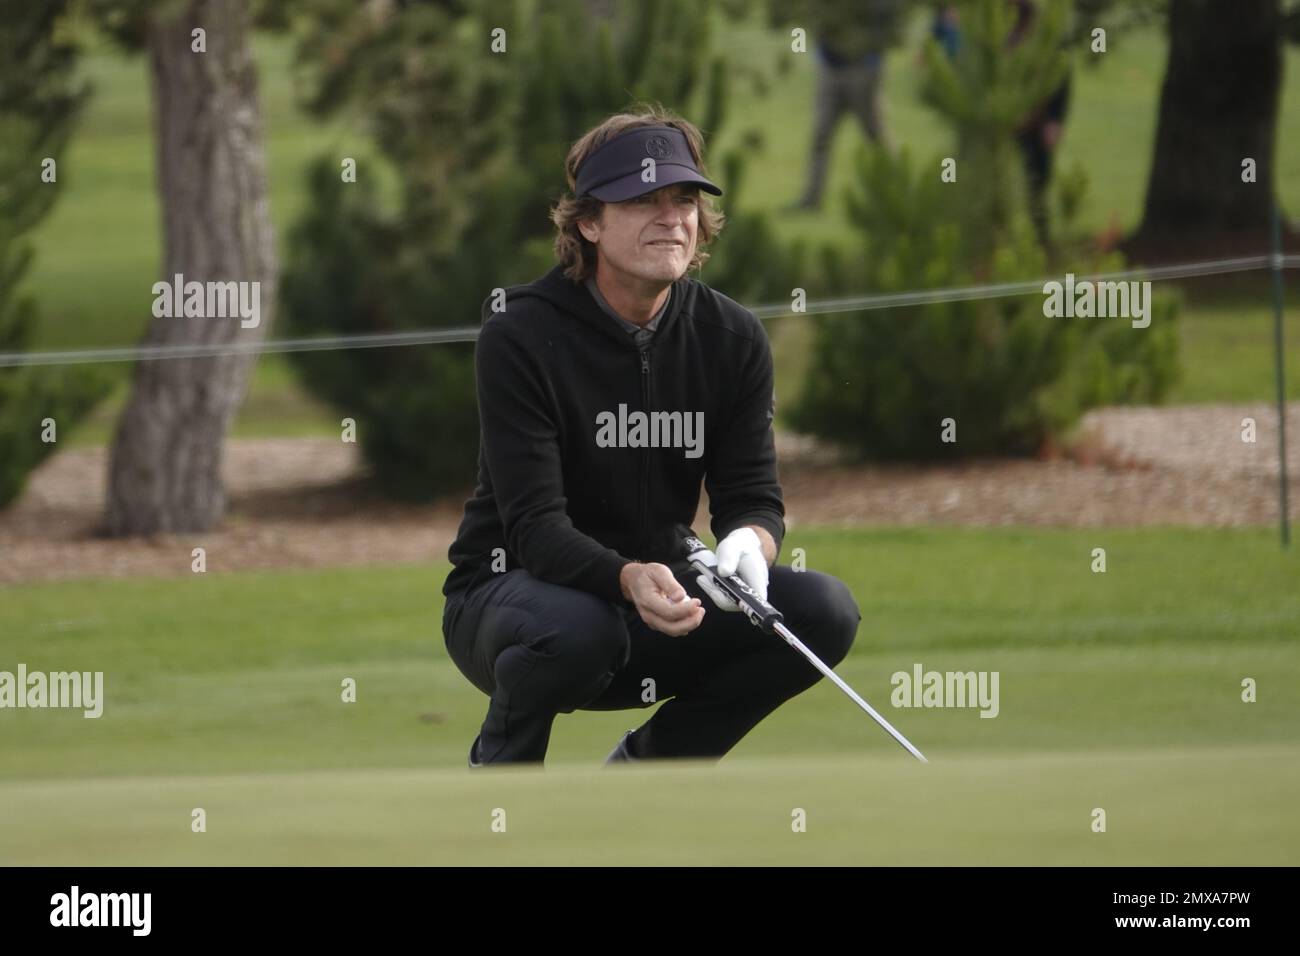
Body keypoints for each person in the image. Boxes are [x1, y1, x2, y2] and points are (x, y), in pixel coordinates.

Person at [441, 106, 861, 767]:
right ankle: (502, 792)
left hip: (658, 596)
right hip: (510, 600)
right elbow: (533, 527)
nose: (672, 216)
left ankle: (649, 773)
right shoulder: (521, 336)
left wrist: (751, 544)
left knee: (823, 610)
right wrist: (626, 577)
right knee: (578, 628)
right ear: (589, 222)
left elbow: (751, 492)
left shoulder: (732, 338)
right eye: (643, 199)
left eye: (684, 198)